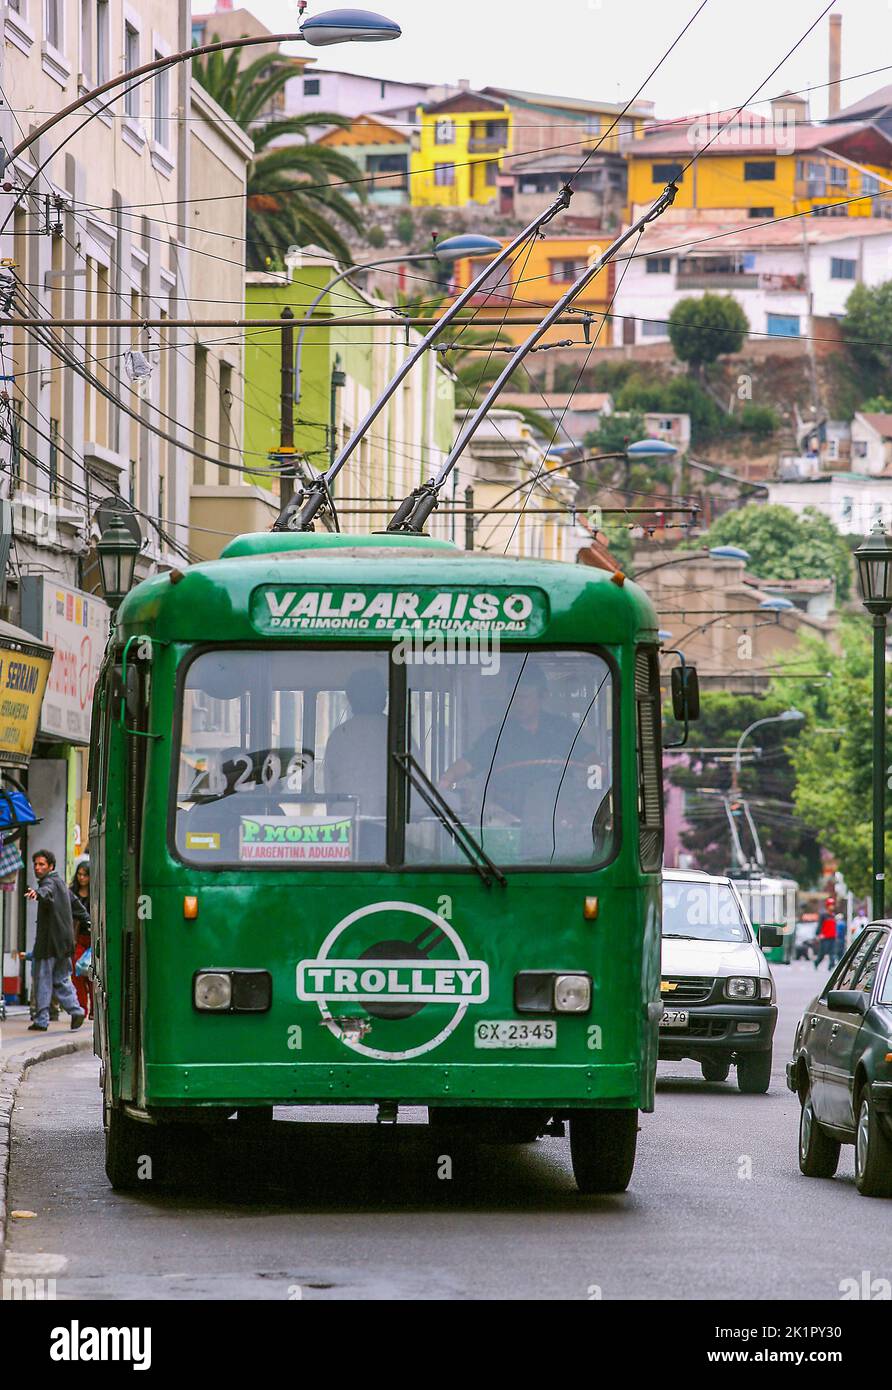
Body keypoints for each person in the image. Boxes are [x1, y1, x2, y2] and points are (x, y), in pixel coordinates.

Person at [27, 849, 88, 1032]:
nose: (37, 868)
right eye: (36, 864)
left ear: (50, 866)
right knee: (61, 979)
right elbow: (77, 906)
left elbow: (46, 892)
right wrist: (88, 919)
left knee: (43, 979)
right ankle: (76, 1010)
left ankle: (42, 1020)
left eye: (42, 864)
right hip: (65, 943)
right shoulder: (62, 884)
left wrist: (37, 894)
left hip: (49, 943)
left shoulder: (49, 884)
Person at [324, 668, 389, 820]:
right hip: (388, 827)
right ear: (383, 696)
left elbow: (329, 789)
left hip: (345, 824)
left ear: (350, 698)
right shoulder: (398, 734)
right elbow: (415, 792)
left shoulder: (338, 736)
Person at [69, 859, 93, 1019]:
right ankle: (82, 1008)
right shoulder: (72, 893)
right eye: (79, 874)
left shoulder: (96, 892)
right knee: (76, 973)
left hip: (92, 939)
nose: (81, 878)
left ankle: (94, 1009)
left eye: (85, 875)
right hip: (77, 938)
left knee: (91, 974)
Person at [814, 904, 837, 970]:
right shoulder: (823, 915)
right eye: (830, 905)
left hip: (832, 937)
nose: (832, 906)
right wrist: (818, 934)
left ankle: (831, 965)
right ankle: (817, 962)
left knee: (832, 952)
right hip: (825, 937)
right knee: (822, 953)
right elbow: (819, 925)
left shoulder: (833, 916)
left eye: (833, 905)